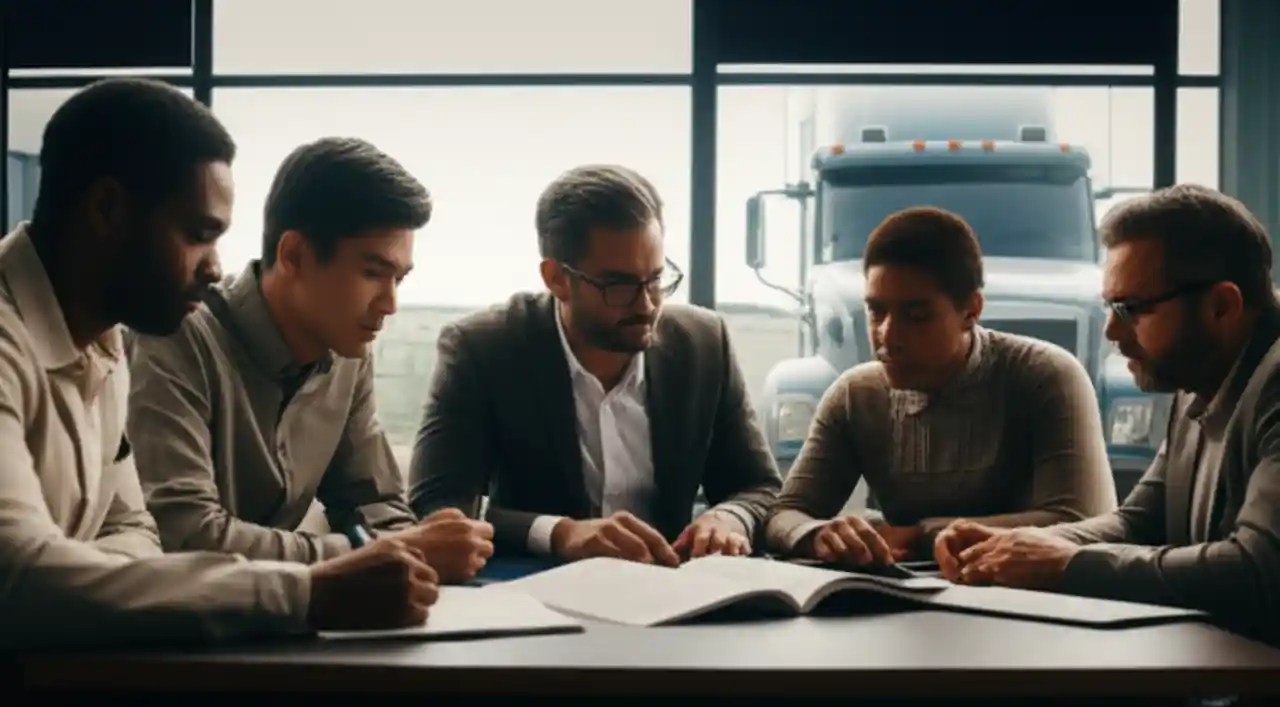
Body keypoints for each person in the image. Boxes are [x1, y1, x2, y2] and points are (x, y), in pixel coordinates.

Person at [0, 78, 437, 650]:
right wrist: (310, 590)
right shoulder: (134, 338)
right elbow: (20, 577)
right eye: (197, 235)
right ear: (106, 209)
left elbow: (132, 531)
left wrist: (93, 584)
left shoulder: (102, 344)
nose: (214, 269)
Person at [127, 137, 493, 585]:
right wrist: (375, 551)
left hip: (280, 616)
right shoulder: (176, 338)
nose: (390, 304)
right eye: (373, 273)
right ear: (294, 255)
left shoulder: (348, 351)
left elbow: (373, 504)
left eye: (399, 278)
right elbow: (183, 536)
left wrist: (419, 551)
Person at [938, 184, 1280, 643]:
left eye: (1132, 309)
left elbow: (1258, 571)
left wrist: (1064, 564)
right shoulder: (1199, 375)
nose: (1113, 331)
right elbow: (1140, 522)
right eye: (1111, 306)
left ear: (1222, 305)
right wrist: (1024, 546)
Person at [409, 164, 781, 564]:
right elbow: (438, 504)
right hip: (536, 592)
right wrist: (558, 533)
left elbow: (758, 487)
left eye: (655, 279)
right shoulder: (483, 348)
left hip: (673, 592)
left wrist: (728, 518)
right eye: (618, 285)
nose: (646, 305)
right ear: (556, 279)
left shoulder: (704, 343)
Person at [765, 207, 1117, 566]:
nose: (888, 335)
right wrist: (818, 535)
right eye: (875, 312)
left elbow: (1081, 520)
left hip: (1031, 602)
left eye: (916, 316)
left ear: (971, 311)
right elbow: (785, 514)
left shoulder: (1046, 375)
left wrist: (920, 534)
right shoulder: (856, 395)